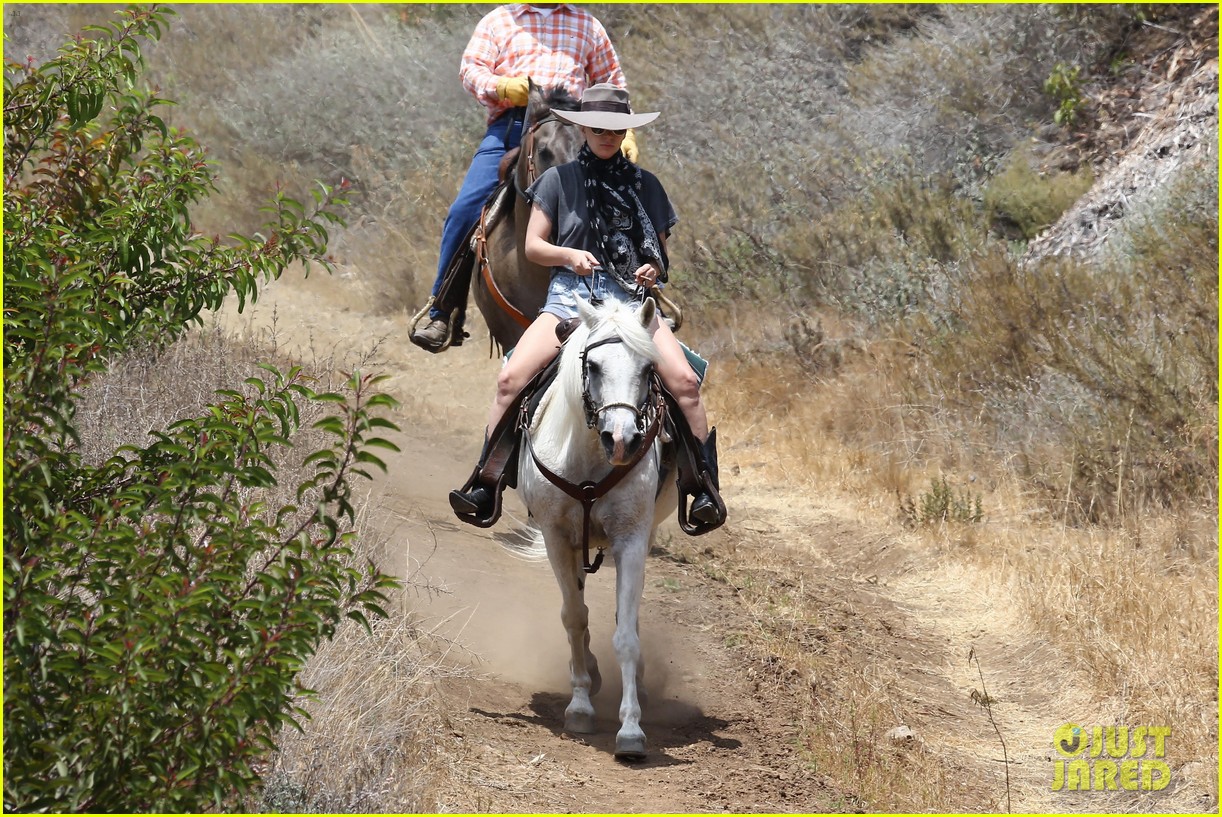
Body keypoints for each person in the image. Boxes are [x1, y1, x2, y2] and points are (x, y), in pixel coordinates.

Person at [448, 84, 724, 528]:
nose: (607, 136)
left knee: (686, 384)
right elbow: (534, 246)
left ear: (625, 132)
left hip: (633, 306)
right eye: (598, 128)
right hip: (569, 301)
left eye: (615, 130)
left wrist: (652, 268)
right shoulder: (557, 181)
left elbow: (660, 253)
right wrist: (569, 256)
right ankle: (487, 481)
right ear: (583, 130)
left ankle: (703, 489)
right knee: (511, 379)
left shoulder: (647, 186)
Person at [410, 3, 637, 352]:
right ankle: (444, 309)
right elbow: (470, 70)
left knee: (623, 203)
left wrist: (625, 129)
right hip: (512, 127)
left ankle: (643, 299)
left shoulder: (588, 25)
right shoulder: (499, 20)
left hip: (575, 129)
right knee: (465, 210)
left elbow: (613, 83)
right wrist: (502, 87)